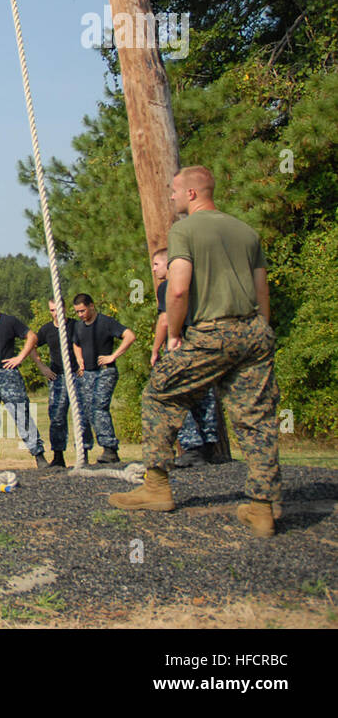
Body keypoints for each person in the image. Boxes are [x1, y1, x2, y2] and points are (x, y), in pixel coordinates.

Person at [110, 166, 281, 537]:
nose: (170, 197)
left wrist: (174, 334)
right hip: (253, 332)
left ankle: (156, 487)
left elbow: (177, 289)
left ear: (191, 194)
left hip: (211, 333)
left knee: (159, 395)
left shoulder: (183, 231)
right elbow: (261, 290)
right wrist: (262, 331)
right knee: (257, 418)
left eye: (173, 191)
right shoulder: (246, 232)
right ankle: (263, 508)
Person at [0, 287, 49, 471]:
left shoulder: (9, 321)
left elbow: (32, 337)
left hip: (8, 374)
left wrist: (20, 358)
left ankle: (39, 455)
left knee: (21, 414)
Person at [152, 249, 220, 467]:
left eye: (156, 264)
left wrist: (156, 350)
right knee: (203, 394)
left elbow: (165, 319)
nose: (154, 269)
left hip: (181, 344)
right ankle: (210, 445)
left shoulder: (167, 287)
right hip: (204, 342)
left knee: (175, 395)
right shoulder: (198, 285)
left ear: (168, 265)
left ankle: (191, 447)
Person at [71, 293, 136, 464]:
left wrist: (113, 356)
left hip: (105, 371)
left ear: (92, 306)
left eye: (83, 311)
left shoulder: (106, 322)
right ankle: (83, 449)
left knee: (99, 407)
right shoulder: (78, 326)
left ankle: (110, 449)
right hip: (87, 373)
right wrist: (79, 359)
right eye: (77, 312)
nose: (80, 315)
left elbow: (130, 336)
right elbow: (75, 343)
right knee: (82, 411)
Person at [33, 300, 91, 467]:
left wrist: (83, 364)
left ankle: (83, 453)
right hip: (57, 377)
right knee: (57, 416)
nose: (56, 313)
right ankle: (58, 456)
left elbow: (87, 344)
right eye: (52, 310)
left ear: (64, 308)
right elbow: (31, 346)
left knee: (82, 416)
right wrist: (42, 367)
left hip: (77, 375)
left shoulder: (76, 326)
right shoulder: (46, 330)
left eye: (58, 309)